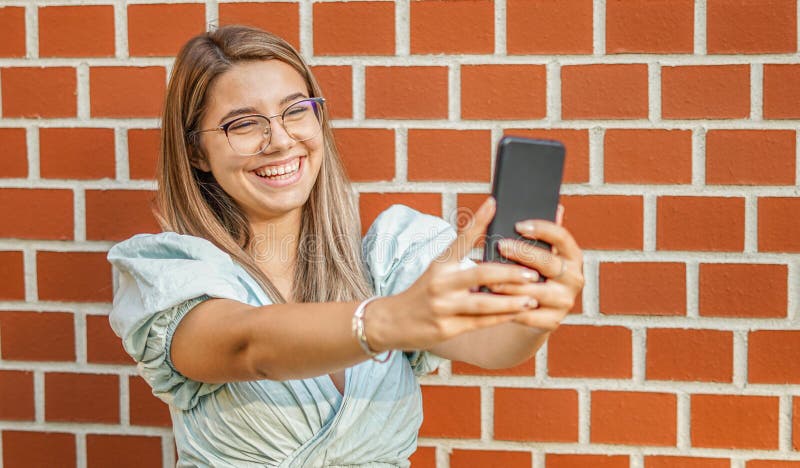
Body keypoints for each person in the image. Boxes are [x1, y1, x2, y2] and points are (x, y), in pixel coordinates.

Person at [107, 25, 583, 467]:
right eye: (244, 124)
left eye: (296, 111)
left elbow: (493, 346)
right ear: (196, 152)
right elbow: (250, 344)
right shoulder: (178, 275)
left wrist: (534, 315)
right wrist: (387, 319)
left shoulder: (385, 260)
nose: (280, 141)